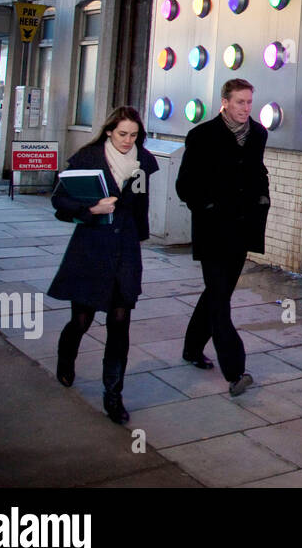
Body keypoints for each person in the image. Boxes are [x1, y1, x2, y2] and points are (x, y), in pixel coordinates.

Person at [48, 106, 159, 424]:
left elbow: (140, 202)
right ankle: (66, 357)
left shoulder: (141, 164)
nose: (128, 141)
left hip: (124, 250)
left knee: (120, 322)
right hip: (91, 248)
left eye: (134, 135)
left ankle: (113, 396)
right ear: (109, 131)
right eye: (122, 134)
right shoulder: (88, 158)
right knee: (81, 320)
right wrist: (91, 209)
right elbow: (60, 200)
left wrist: (139, 238)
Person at [176, 78, 270, 396]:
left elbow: (258, 173)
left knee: (217, 294)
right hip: (213, 230)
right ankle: (235, 370)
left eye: (249, 102)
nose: (246, 108)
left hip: (241, 231)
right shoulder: (201, 136)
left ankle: (191, 348)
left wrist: (262, 200)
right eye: (240, 102)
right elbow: (185, 185)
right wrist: (208, 206)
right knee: (219, 301)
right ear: (225, 102)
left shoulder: (258, 134)